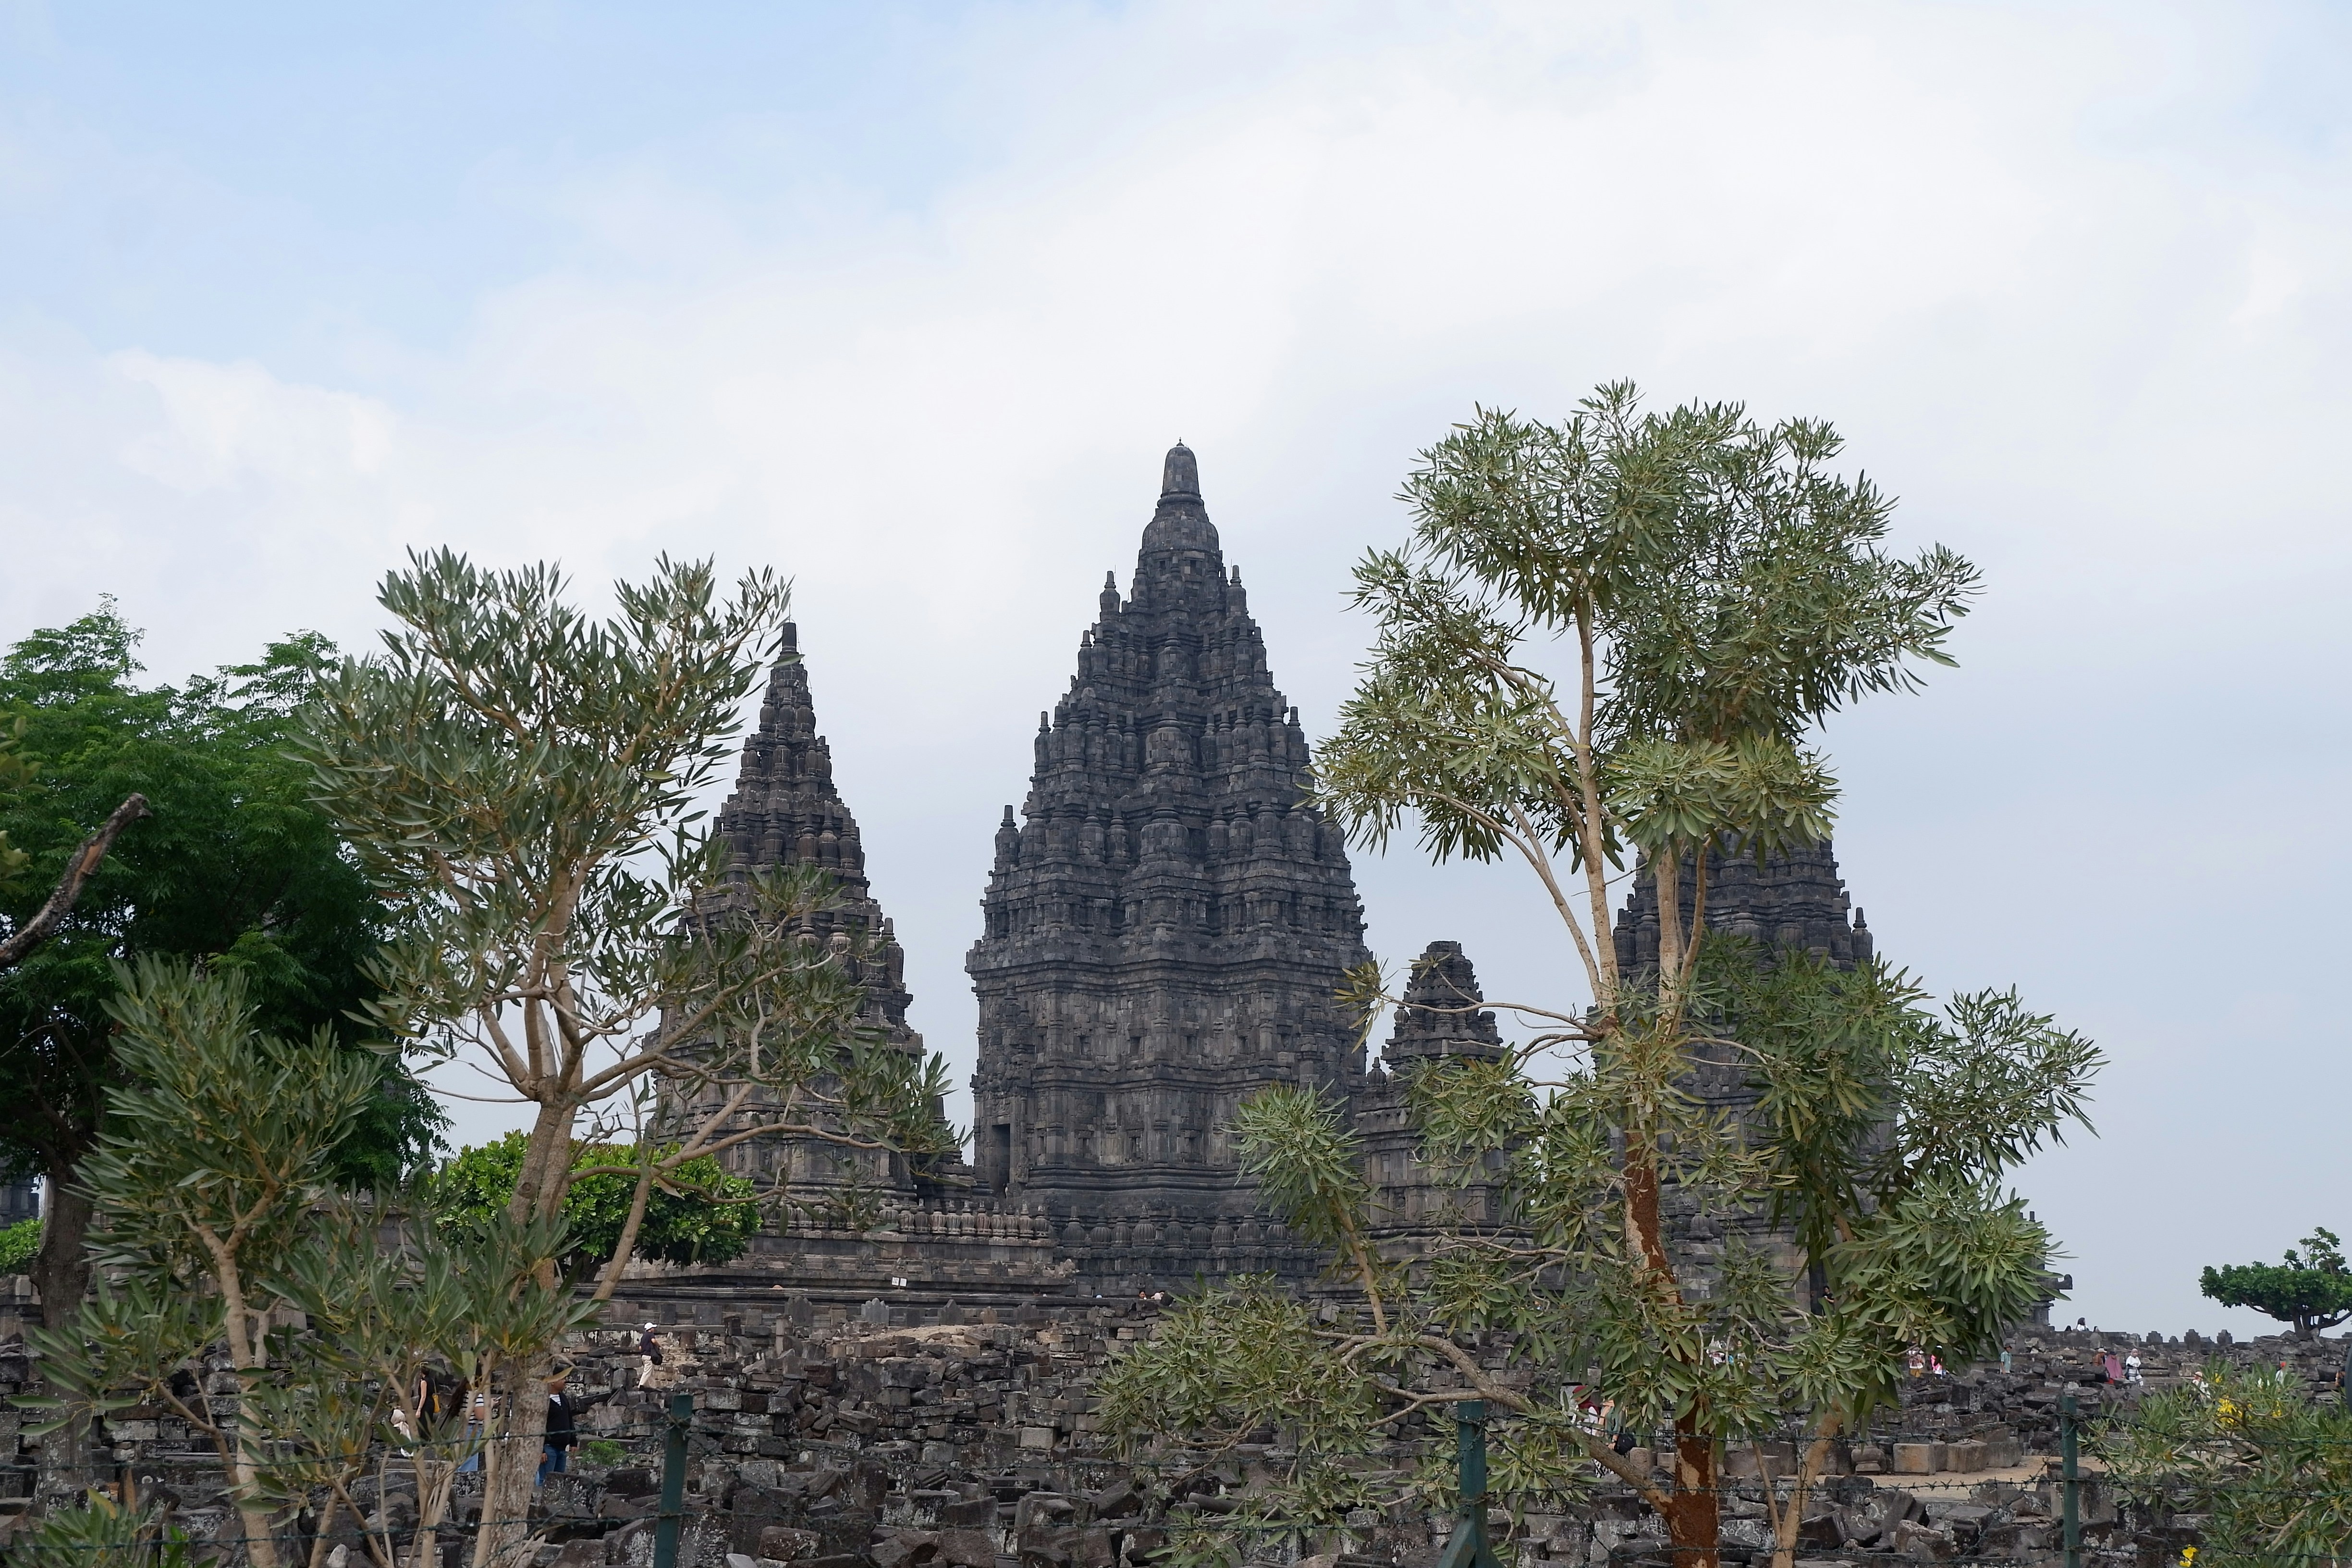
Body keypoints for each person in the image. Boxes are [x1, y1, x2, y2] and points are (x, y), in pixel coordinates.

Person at [539, 1366, 576, 1486]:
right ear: (553, 1381)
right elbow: (540, 1426)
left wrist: (573, 1441)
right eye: (562, 1378)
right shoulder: (543, 1401)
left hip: (562, 1448)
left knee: (559, 1482)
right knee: (546, 1480)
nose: (564, 1381)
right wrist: (541, 1450)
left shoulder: (564, 1398)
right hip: (549, 1448)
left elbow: (569, 1420)